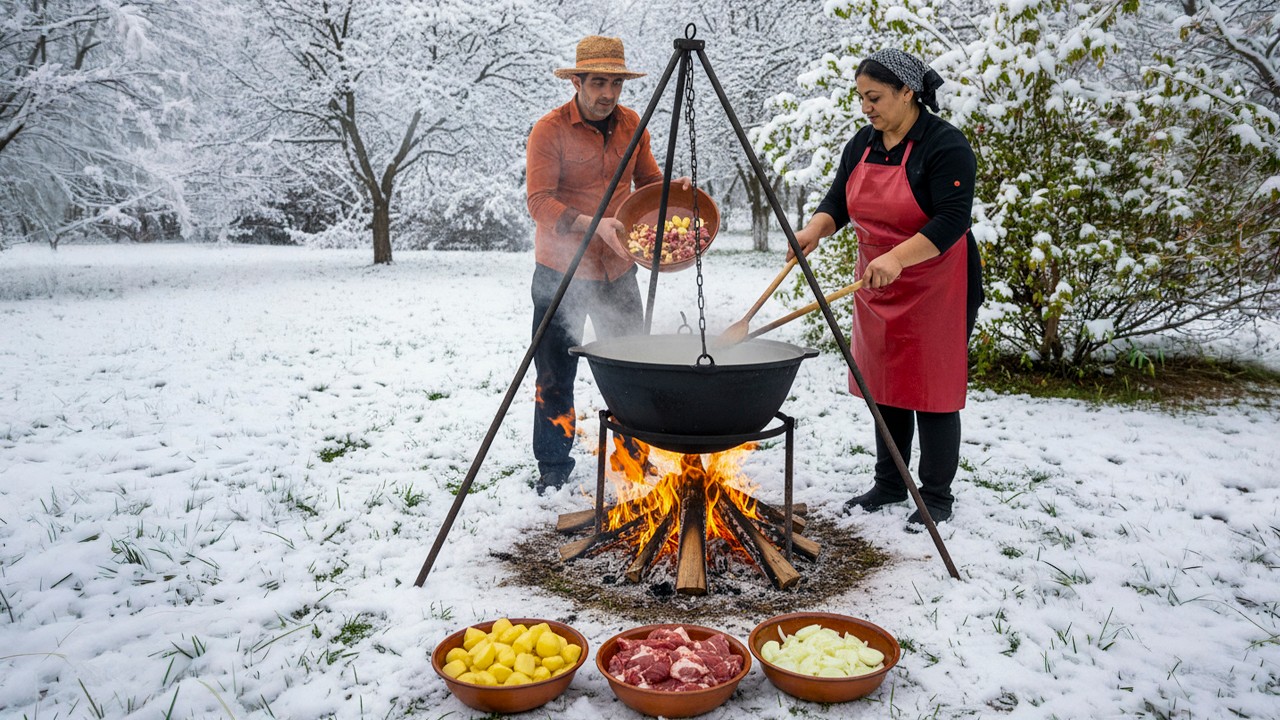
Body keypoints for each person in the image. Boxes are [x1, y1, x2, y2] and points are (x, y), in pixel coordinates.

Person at [787, 48, 984, 526]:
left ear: (907, 92)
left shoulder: (945, 146)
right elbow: (839, 198)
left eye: (874, 97)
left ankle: (935, 496)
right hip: (878, 281)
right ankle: (890, 484)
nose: (866, 108)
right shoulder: (864, 142)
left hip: (937, 282)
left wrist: (897, 257)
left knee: (931, 390)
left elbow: (952, 219)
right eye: (861, 98)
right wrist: (814, 229)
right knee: (886, 384)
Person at [525, 35, 685, 494]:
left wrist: (673, 190)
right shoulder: (549, 130)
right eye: (598, 82)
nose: (608, 94)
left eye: (616, 83)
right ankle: (553, 464)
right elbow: (538, 202)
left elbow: (649, 180)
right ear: (577, 81)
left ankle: (634, 456)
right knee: (555, 372)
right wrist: (592, 225)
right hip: (561, 272)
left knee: (631, 365)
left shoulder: (634, 123)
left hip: (618, 268)